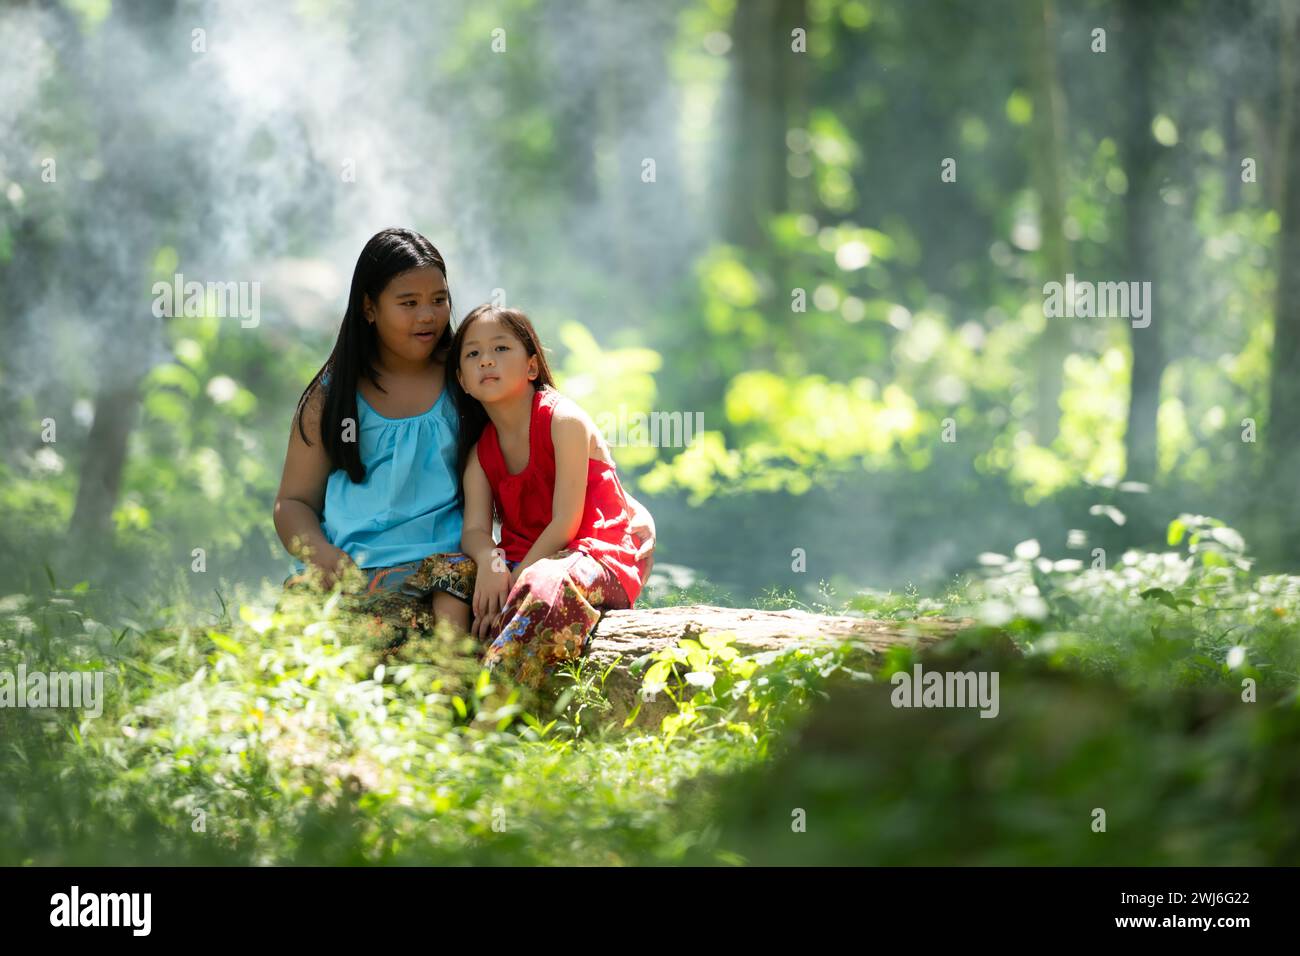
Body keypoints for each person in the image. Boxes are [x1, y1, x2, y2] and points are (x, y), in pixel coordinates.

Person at [273, 227, 655, 643]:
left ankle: (453, 688)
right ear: (369, 308)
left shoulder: (468, 379)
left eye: (439, 300)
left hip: (450, 571)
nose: (428, 316)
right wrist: (324, 557)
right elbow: (293, 503)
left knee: (449, 625)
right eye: (408, 303)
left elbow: (556, 443)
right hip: (350, 566)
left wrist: (628, 508)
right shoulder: (334, 397)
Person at [452, 303, 649, 688]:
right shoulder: (481, 452)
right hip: (524, 559)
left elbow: (566, 523)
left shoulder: (564, 422)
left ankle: (490, 707)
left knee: (543, 581)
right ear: (462, 380)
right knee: (448, 572)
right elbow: (474, 529)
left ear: (531, 366)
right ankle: (449, 679)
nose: (486, 361)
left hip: (595, 554)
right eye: (473, 354)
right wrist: (492, 563)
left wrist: (513, 583)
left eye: (501, 349)